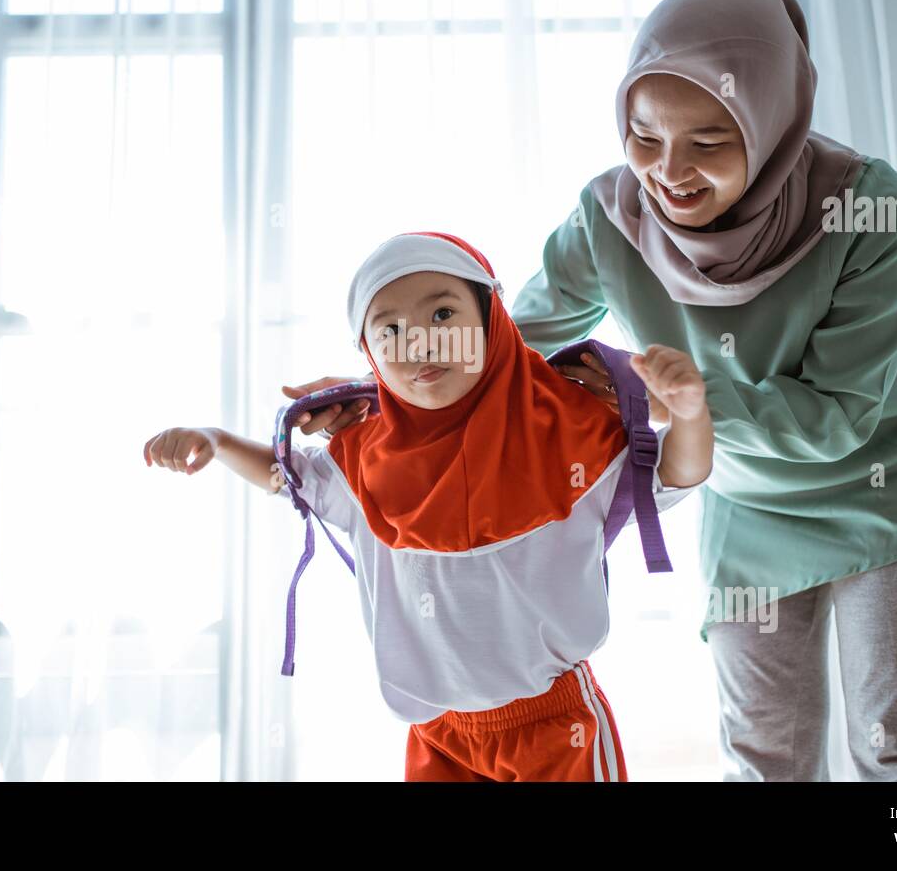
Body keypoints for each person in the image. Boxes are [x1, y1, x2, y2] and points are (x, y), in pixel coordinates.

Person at [287, 0, 897, 782]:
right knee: (766, 751)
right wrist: (380, 400)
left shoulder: (866, 212)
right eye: (644, 138)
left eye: (709, 142)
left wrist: (677, 396)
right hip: (749, 504)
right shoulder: (609, 218)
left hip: (889, 490)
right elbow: (510, 348)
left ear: (770, 120)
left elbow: (837, 419)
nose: (667, 172)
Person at [145, 231, 714, 780]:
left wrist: (689, 412)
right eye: (389, 330)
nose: (417, 342)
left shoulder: (568, 435)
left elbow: (673, 474)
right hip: (436, 734)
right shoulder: (362, 458)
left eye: (443, 315)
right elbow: (284, 475)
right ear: (371, 354)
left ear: (491, 321)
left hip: (554, 729)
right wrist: (217, 442)